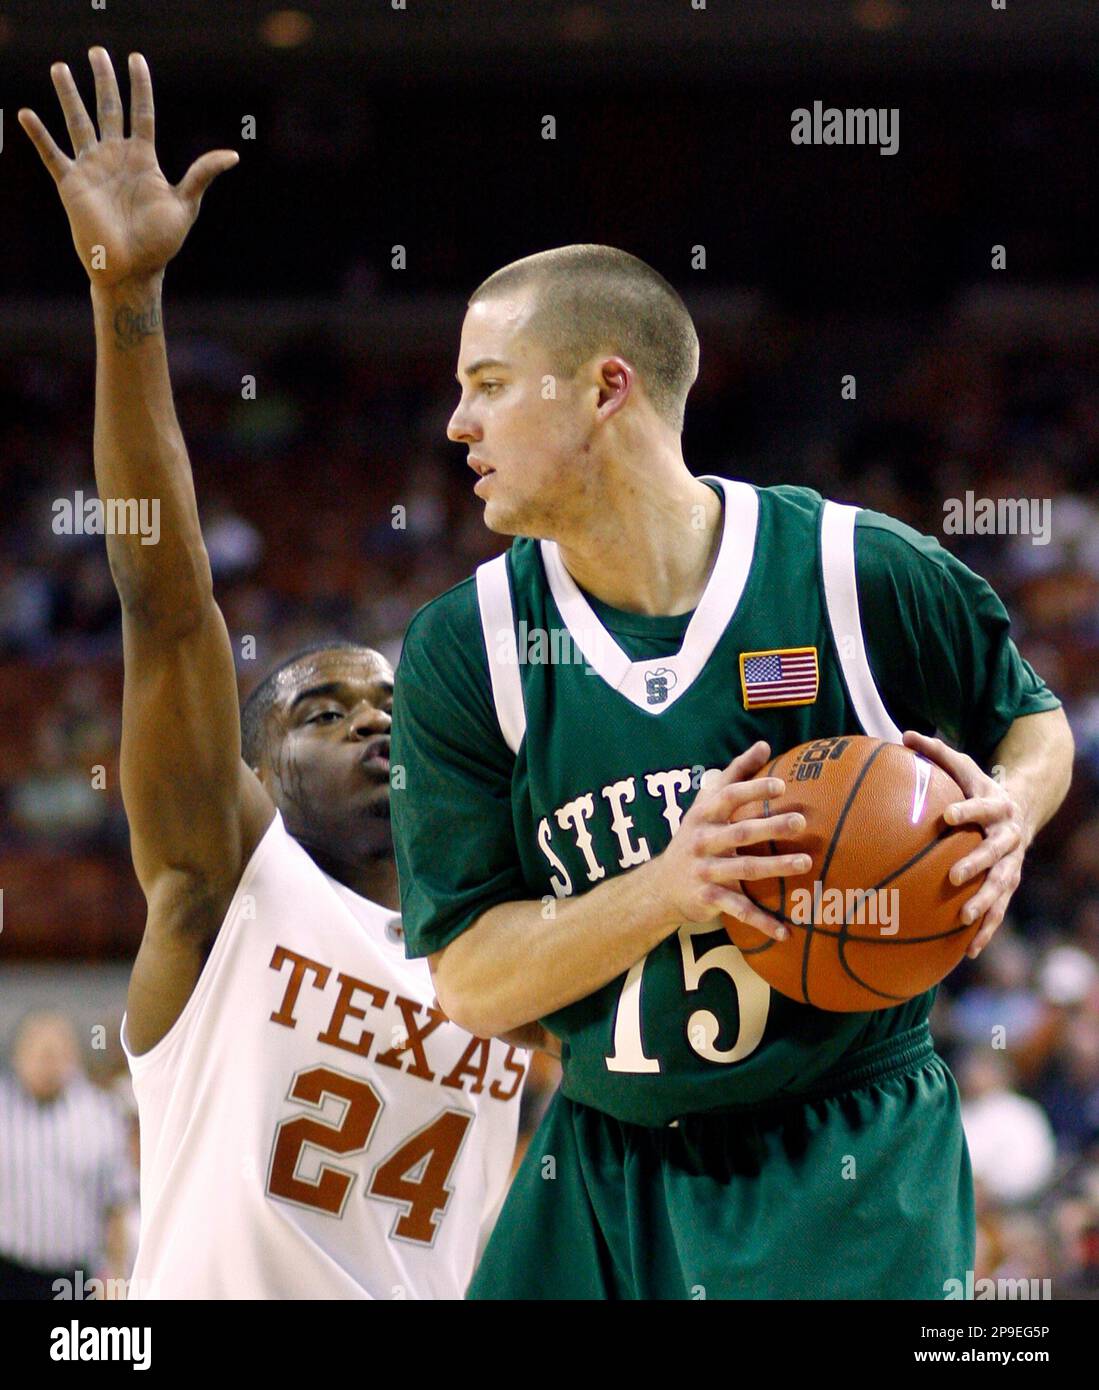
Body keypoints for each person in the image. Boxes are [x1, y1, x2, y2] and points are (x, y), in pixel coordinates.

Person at [390, 242, 1076, 1299]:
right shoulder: (468, 648)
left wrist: (1009, 811)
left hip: (843, 1154)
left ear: (604, 386)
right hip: (607, 1158)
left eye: (486, 386)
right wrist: (668, 887)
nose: (458, 425)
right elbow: (473, 986)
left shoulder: (851, 571)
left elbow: (1032, 725)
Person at [19, 48, 539, 1300]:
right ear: (250, 770)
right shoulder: (221, 888)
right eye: (324, 707)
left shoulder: (507, 945)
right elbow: (168, 604)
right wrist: (125, 303)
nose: (375, 722)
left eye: (390, 704)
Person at [0, 1012, 133, 1299]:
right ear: (17, 1055)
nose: (48, 1062)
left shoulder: (100, 1114)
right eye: (39, 1051)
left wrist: (116, 1273)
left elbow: (116, 1204)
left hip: (75, 1276)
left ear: (74, 1056)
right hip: (9, 1272)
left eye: (57, 1051)